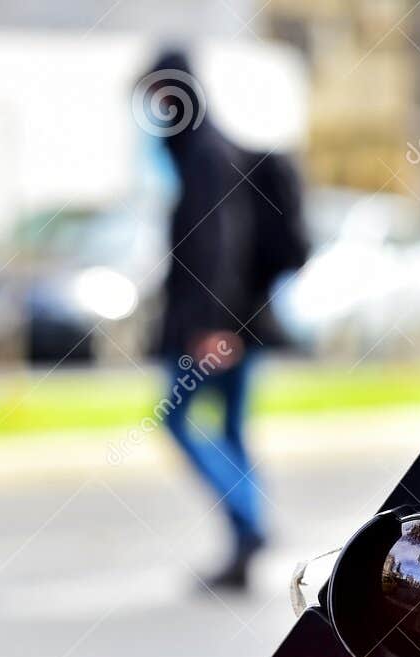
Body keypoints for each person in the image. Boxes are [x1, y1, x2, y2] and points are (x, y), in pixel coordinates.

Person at [140, 49, 268, 593]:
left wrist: (213, 325)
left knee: (177, 419)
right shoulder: (214, 150)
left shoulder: (204, 156)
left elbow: (216, 245)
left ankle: (250, 523)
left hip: (215, 326)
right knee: (230, 431)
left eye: (158, 97)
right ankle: (243, 543)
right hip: (243, 321)